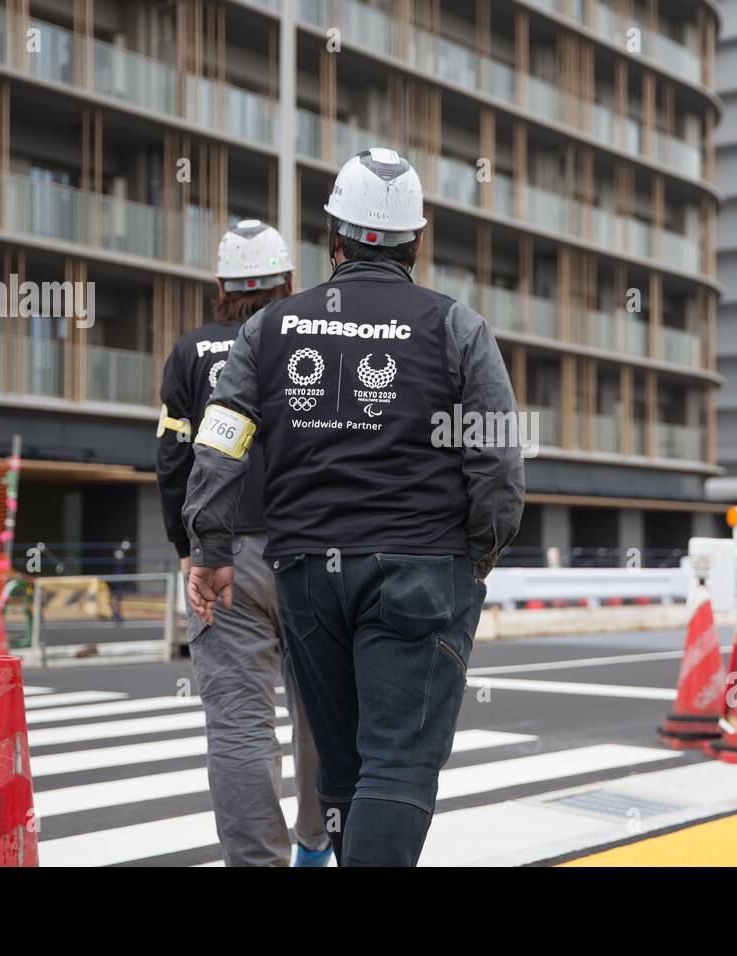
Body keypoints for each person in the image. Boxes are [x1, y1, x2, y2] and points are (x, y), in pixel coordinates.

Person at [182, 149, 526, 866]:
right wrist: (478, 556)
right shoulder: (456, 327)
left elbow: (221, 440)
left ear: (334, 239)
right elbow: (497, 459)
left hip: (305, 571)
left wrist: (211, 548)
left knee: (341, 769)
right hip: (420, 568)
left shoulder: (270, 330)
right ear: (417, 242)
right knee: (397, 762)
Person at [156, 218, 331, 867]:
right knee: (324, 714)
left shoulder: (190, 354)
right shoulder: (315, 344)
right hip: (316, 552)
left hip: (227, 554)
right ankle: (318, 846)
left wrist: (190, 547)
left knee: (240, 723)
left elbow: (174, 459)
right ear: (288, 281)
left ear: (221, 285)